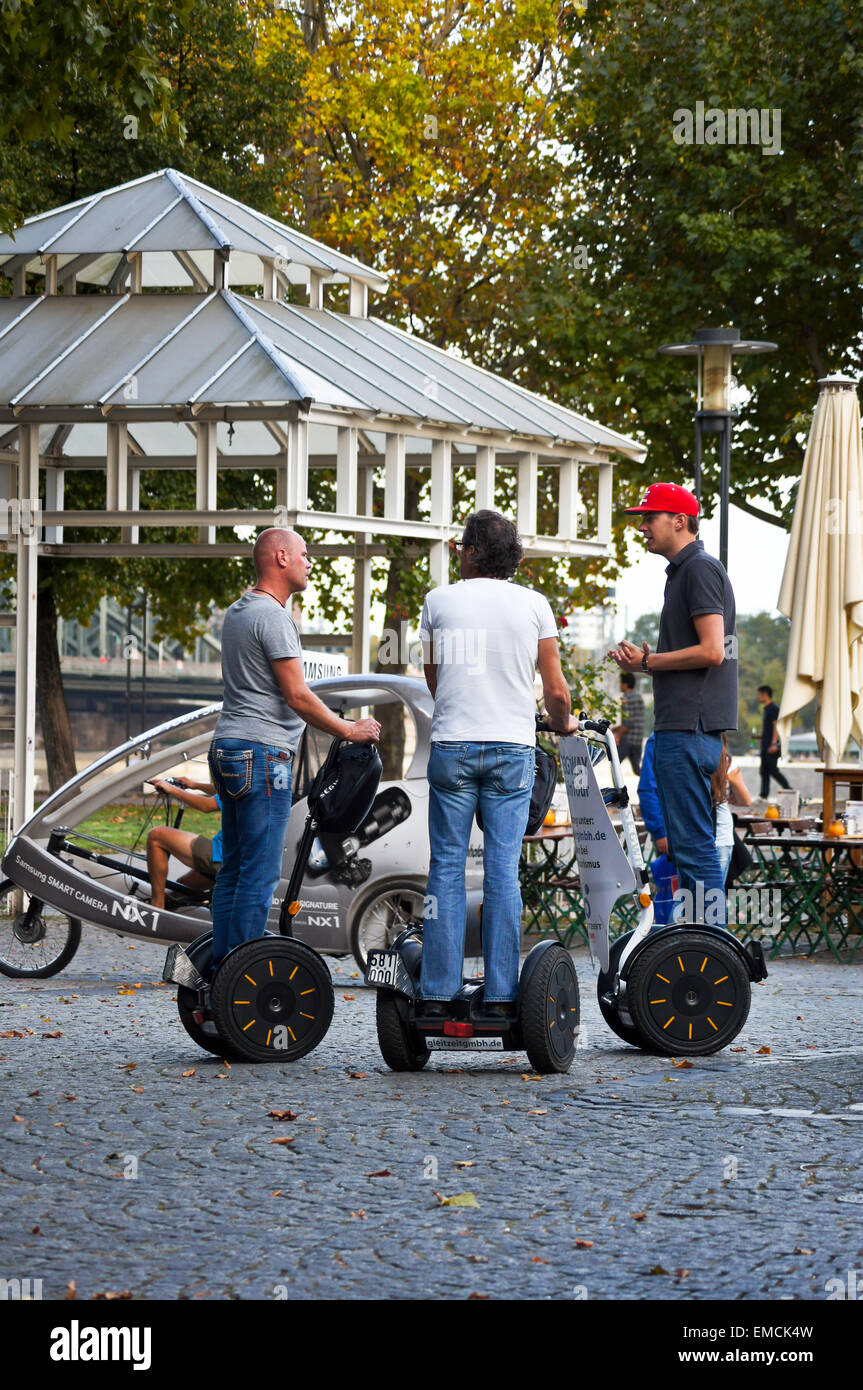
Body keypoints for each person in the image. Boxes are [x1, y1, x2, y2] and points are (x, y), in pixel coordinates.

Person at [418, 509, 577, 1016]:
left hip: (453, 746)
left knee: (445, 866)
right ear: (513, 558)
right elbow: (555, 690)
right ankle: (503, 992)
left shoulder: (437, 601)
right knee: (502, 869)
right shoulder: (534, 605)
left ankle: (439, 991)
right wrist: (563, 722)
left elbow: (435, 680)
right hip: (513, 748)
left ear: (467, 551)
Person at [208, 528, 380, 965]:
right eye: (304, 555)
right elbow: (298, 696)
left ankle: (222, 968)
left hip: (228, 747)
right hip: (264, 754)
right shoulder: (273, 616)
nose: (310, 562)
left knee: (233, 867)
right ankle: (240, 974)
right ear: (281, 557)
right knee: (260, 873)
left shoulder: (238, 611)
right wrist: (348, 729)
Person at [608, 482, 738, 927]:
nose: (642, 526)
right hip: (694, 732)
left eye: (649, 517)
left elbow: (713, 650)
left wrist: (649, 660)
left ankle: (712, 952)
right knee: (691, 850)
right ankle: (707, 950)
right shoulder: (690, 571)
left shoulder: (698, 569)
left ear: (679, 521)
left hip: (687, 733)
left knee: (695, 852)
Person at [145, 776, 223, 909]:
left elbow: (207, 806)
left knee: (156, 836)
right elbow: (225, 789)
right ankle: (165, 916)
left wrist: (172, 789)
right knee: (181, 888)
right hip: (235, 857)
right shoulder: (259, 779)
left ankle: (156, 906)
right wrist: (194, 784)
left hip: (224, 856)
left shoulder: (247, 780)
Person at [637, 732, 677, 925]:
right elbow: (648, 789)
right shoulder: (659, 738)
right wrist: (660, 832)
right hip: (675, 834)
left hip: (702, 833)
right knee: (679, 902)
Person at [712, 732, 752, 884]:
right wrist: (726, 794)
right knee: (714, 894)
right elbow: (745, 800)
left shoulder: (692, 760)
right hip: (721, 836)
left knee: (695, 894)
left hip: (698, 836)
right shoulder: (727, 764)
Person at [757, 684, 791, 798]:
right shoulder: (767, 709)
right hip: (765, 745)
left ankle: (789, 789)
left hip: (771, 746)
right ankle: (763, 795)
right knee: (764, 771)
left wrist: (773, 743)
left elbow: (776, 726)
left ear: (765, 694)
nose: (758, 697)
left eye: (759, 694)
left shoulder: (773, 708)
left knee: (773, 771)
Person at [614, 672, 645, 774]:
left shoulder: (626, 698)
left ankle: (617, 790)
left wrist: (617, 735)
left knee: (615, 764)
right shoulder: (638, 697)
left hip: (628, 739)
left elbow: (628, 723)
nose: (619, 685)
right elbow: (635, 719)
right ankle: (650, 787)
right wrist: (616, 729)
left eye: (620, 682)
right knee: (637, 770)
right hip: (638, 739)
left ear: (625, 684)